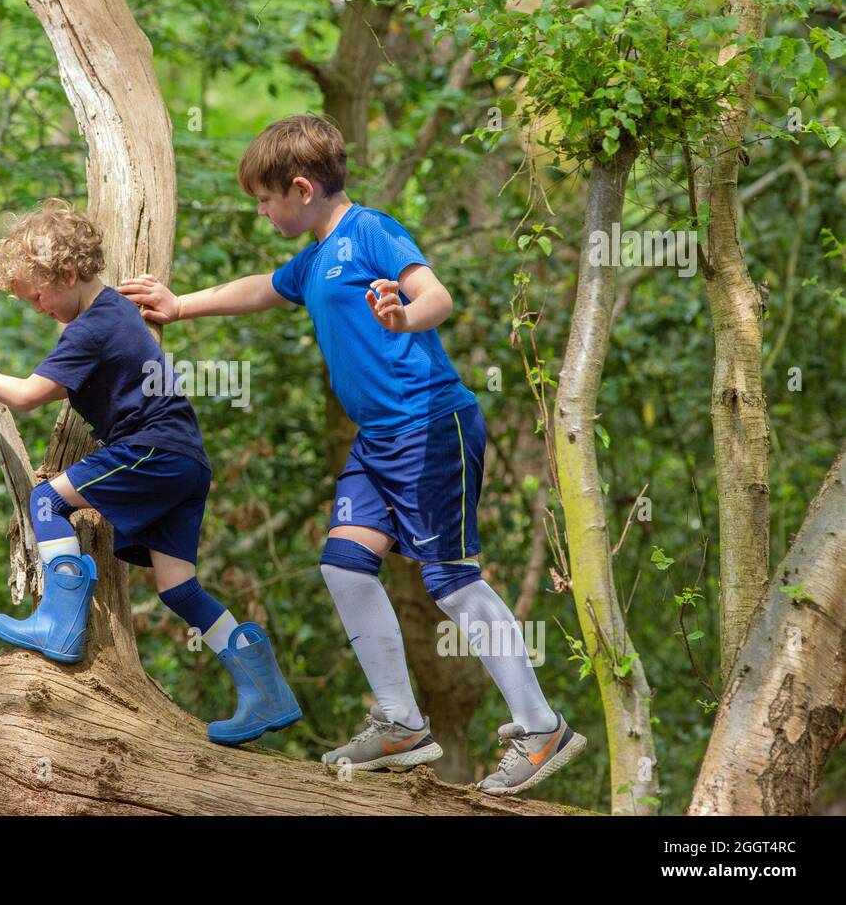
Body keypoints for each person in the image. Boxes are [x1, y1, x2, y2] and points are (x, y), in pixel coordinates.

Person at [120, 116, 585, 793]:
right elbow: (261, 288)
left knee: (451, 579)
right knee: (343, 564)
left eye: (265, 199)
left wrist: (403, 316)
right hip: (378, 441)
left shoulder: (370, 230)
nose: (261, 211)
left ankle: (541, 727)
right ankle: (401, 724)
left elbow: (437, 295)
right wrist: (178, 305)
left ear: (301, 189)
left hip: (430, 426)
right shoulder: (314, 259)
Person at [0, 198, 301, 746]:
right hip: (185, 461)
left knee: (47, 501)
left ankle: (60, 625)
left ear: (67, 275)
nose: (37, 309)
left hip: (151, 450)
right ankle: (266, 692)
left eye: (37, 296)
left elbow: (27, 396)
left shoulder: (89, 329)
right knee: (179, 589)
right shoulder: (113, 311)